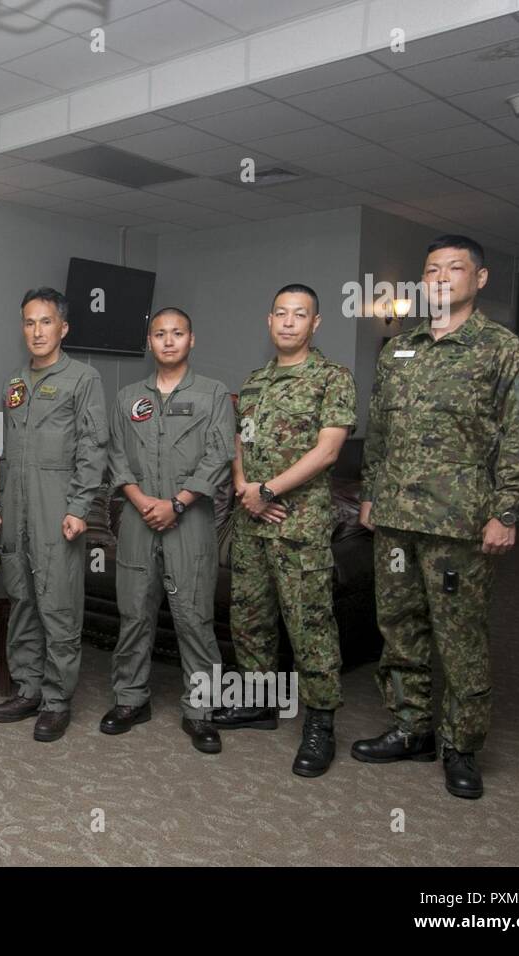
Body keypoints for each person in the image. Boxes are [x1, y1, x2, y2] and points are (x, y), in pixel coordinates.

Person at [352, 235, 519, 799]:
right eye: (431, 269)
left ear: (478, 280)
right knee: (398, 628)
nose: (440, 277)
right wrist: (370, 493)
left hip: (460, 523)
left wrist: (505, 511)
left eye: (454, 268)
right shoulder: (398, 349)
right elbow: (380, 431)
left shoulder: (501, 351)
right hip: (394, 519)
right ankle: (411, 727)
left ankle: (461, 746)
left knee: (459, 638)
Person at [214, 285, 356, 778]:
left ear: (315, 324)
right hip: (252, 522)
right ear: (269, 320)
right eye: (281, 313)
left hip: (298, 525)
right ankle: (259, 703)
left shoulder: (331, 378)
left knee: (309, 625)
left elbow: (328, 451)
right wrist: (243, 487)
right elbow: (240, 442)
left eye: (300, 315)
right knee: (249, 617)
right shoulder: (255, 383)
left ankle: (320, 724)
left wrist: (268, 491)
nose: (289, 322)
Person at [102, 308, 234, 753]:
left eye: (177, 334)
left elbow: (218, 456)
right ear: (150, 341)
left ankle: (201, 712)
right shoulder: (127, 397)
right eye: (160, 334)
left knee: (195, 618)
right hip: (138, 520)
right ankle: (129, 699)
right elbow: (117, 457)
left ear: (191, 340)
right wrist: (142, 502)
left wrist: (178, 502)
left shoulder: (213, 394)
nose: (169, 341)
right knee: (134, 612)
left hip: (190, 520)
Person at [0, 288, 106, 743]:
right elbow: (2, 451)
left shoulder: (83, 379)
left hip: (57, 507)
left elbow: (93, 447)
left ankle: (57, 699)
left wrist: (80, 508)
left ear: (63, 328)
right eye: (28, 323)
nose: (36, 331)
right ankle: (28, 687)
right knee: (22, 599)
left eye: (45, 322)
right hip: (16, 505)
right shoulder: (14, 382)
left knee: (57, 604)